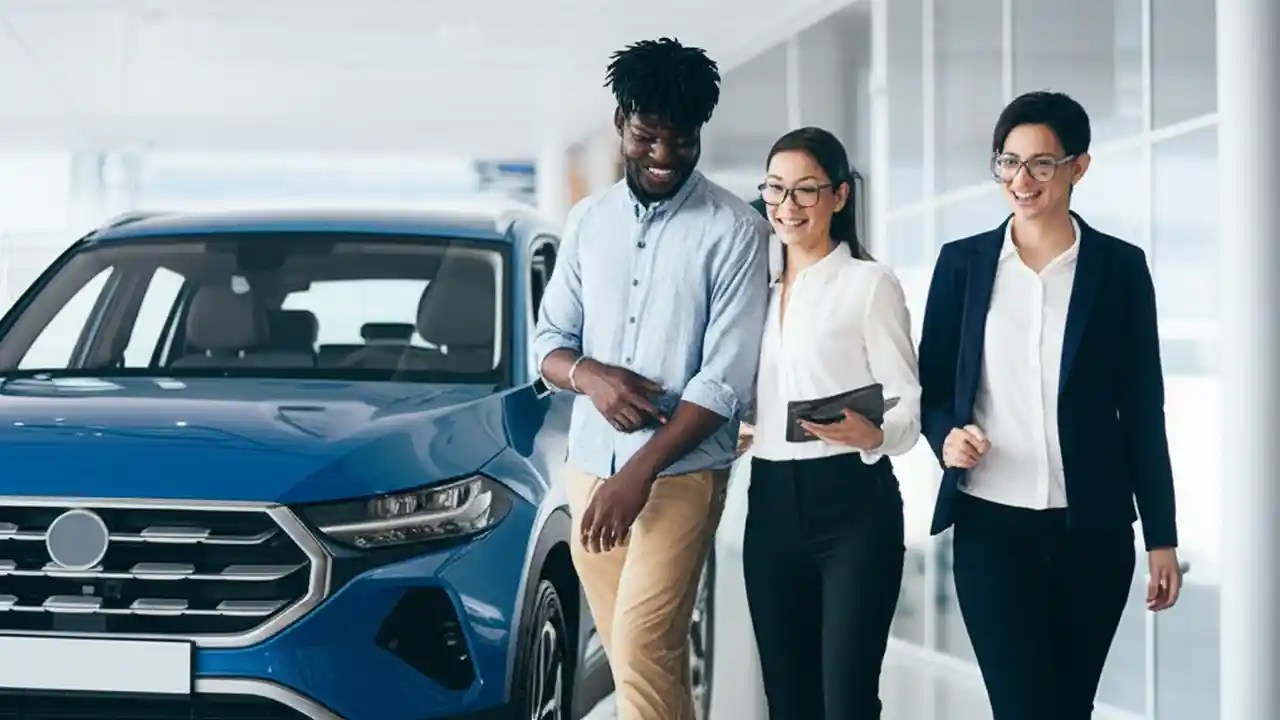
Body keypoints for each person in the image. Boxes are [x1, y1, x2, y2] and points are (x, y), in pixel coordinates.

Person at [917, 91, 1182, 719]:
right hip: (991, 528)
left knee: (1067, 709)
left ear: (1078, 167)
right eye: (1008, 162)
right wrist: (946, 438)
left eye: (1041, 163)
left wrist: (1162, 537)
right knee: (1020, 707)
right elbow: (931, 390)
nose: (1021, 180)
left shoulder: (1118, 269)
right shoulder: (962, 265)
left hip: (1092, 531)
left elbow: (1144, 409)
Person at [531, 37, 771, 720]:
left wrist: (636, 475)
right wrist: (591, 376)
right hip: (589, 473)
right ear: (621, 124)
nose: (664, 156)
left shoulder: (735, 231)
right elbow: (548, 345)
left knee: (641, 645)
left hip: (679, 474)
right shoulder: (587, 222)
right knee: (639, 659)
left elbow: (722, 384)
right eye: (649, 136)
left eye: (682, 140)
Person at [742, 126, 921, 719]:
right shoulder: (753, 290)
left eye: (805, 191)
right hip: (769, 506)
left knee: (845, 701)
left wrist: (875, 434)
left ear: (840, 196)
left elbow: (908, 404)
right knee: (789, 704)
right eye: (776, 190)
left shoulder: (869, 285)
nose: (787, 207)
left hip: (853, 508)